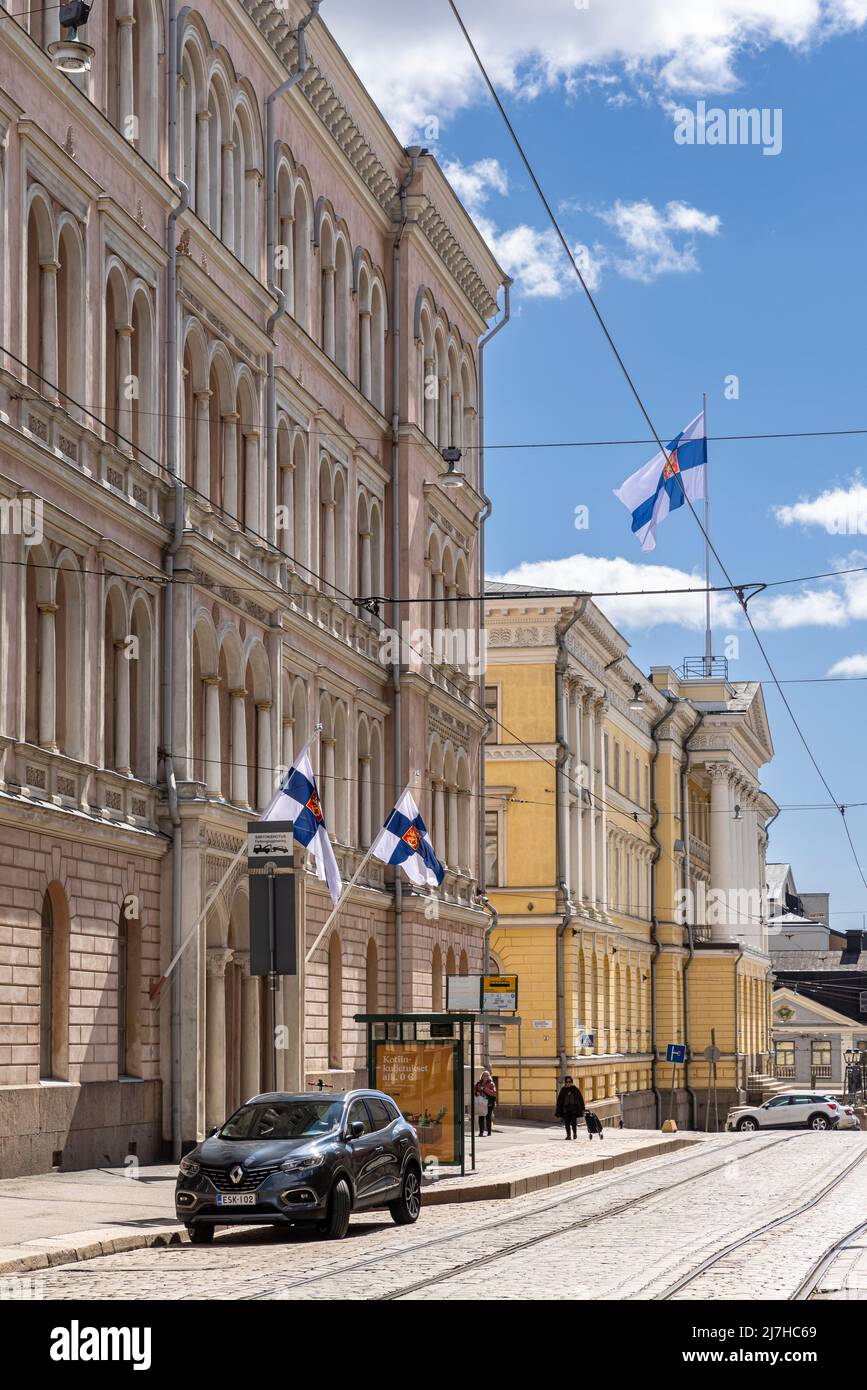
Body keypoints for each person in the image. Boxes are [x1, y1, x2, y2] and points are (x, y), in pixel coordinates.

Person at [474, 1069, 497, 1137]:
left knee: (488, 1117)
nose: (485, 1077)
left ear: (489, 1076)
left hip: (489, 1103)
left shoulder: (491, 1084)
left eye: (487, 1075)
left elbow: (494, 1093)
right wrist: (476, 1093)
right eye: (484, 1075)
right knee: (481, 1117)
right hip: (481, 1103)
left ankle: (489, 1132)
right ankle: (481, 1132)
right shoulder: (478, 1083)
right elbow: (474, 1091)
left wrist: (484, 1089)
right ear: (482, 1076)